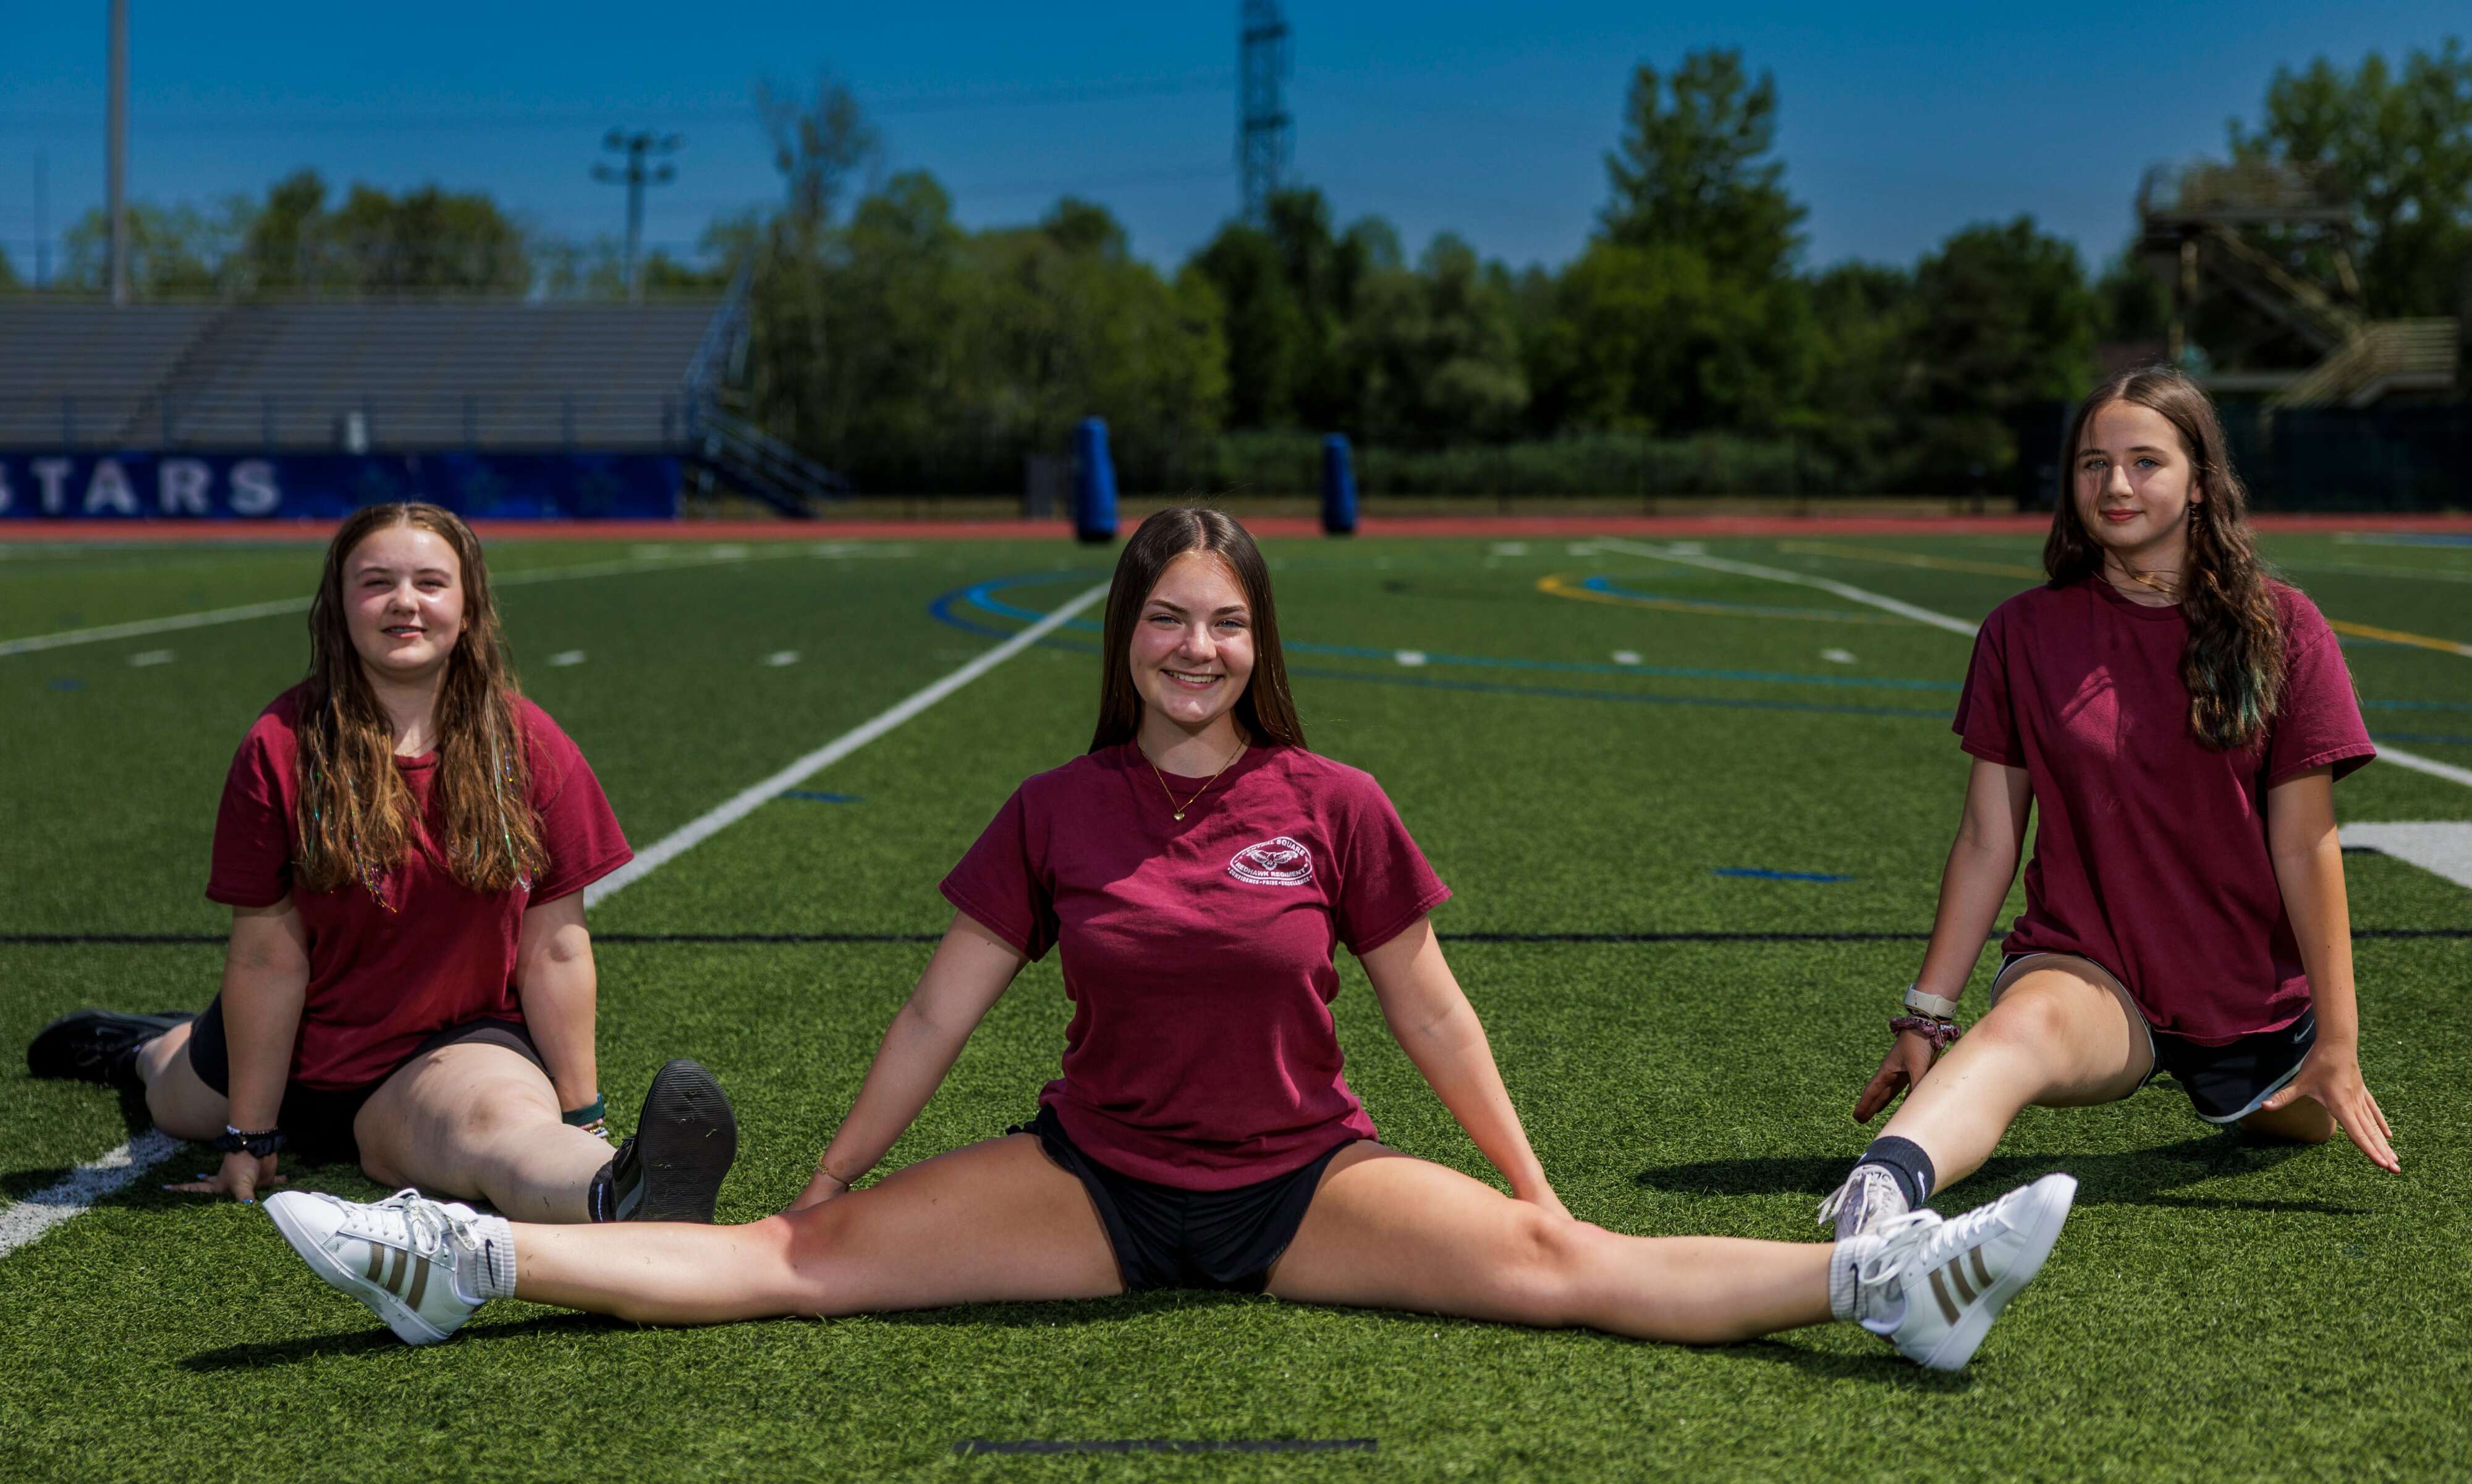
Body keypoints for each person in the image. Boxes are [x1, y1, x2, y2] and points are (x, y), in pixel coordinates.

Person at [265, 507, 2075, 1370]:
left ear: (1252, 638)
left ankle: (1886, 1285)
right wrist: (826, 1177)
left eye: (1221, 623)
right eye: (1165, 621)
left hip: (1305, 1177)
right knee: (780, 1264)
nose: (1193, 647)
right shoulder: (1058, 808)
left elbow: (1430, 1011)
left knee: (1566, 1274)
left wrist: (1538, 1186)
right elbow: (932, 1007)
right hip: (1094, 1178)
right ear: (1127, 635)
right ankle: (457, 1264)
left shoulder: (1336, 797)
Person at [27, 501, 736, 1225]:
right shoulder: (280, 744)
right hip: (296, 1038)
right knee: (173, 1103)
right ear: (339, 605)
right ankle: (144, 1045)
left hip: (446, 1047)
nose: (404, 602)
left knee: (502, 1127)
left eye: (430, 581)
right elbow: (269, 958)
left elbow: (554, 948)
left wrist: (584, 1118)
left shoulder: (529, 742)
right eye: (376, 582)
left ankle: (621, 1187)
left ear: (469, 605)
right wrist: (248, 1132)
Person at [1819, 367, 2400, 1241]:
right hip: (2092, 968)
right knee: (2023, 1026)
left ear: (2201, 479)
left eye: (2145, 461)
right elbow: (1987, 837)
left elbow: (2305, 844)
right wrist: (1927, 1013)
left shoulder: (2285, 626)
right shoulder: (2021, 633)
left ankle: (2283, 1074)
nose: (2116, 485)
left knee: (2294, 1127)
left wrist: (2340, 1044)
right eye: (2094, 464)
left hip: (2249, 999)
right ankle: (1875, 1204)